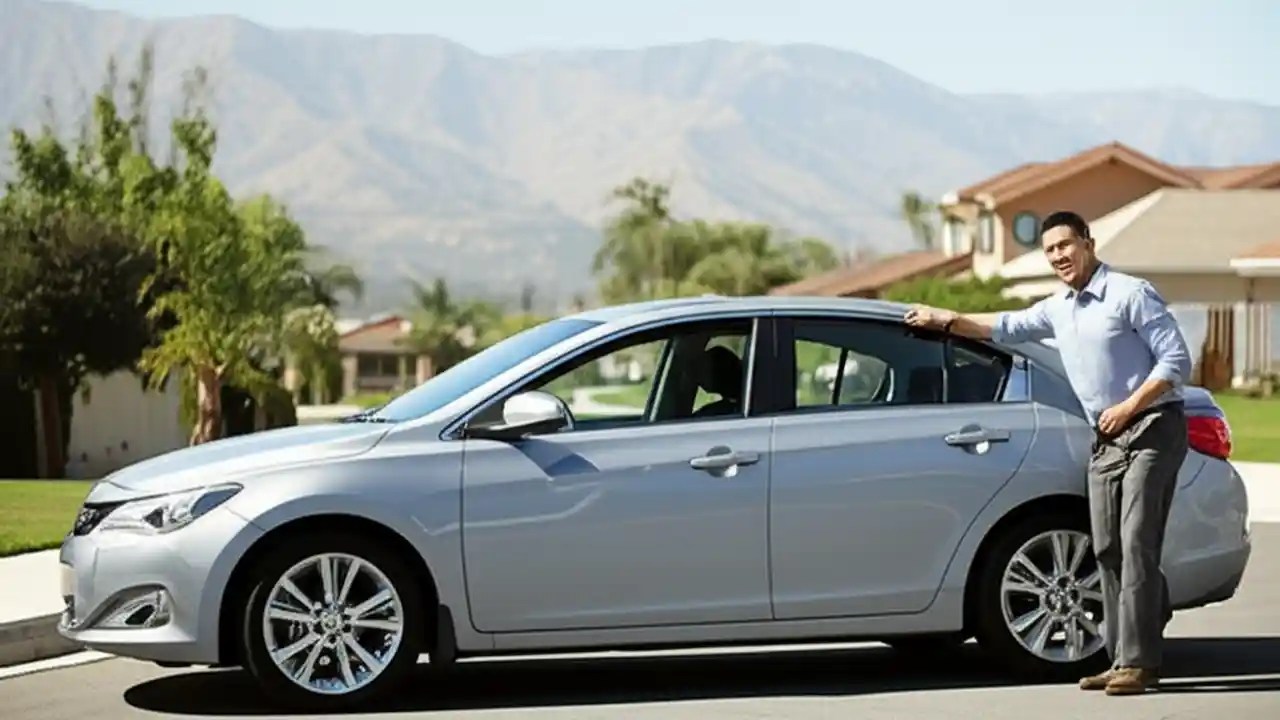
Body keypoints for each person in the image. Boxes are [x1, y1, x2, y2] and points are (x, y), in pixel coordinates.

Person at [904, 210, 1192, 696]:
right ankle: (1130, 640)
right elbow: (1004, 326)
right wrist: (944, 320)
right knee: (1105, 548)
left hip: (1151, 428)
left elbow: (1176, 360)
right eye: (1051, 249)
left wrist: (1127, 407)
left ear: (1088, 242)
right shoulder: (1059, 309)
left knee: (1136, 541)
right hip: (1106, 436)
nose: (1059, 255)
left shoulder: (1130, 293)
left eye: (1066, 245)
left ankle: (1138, 664)